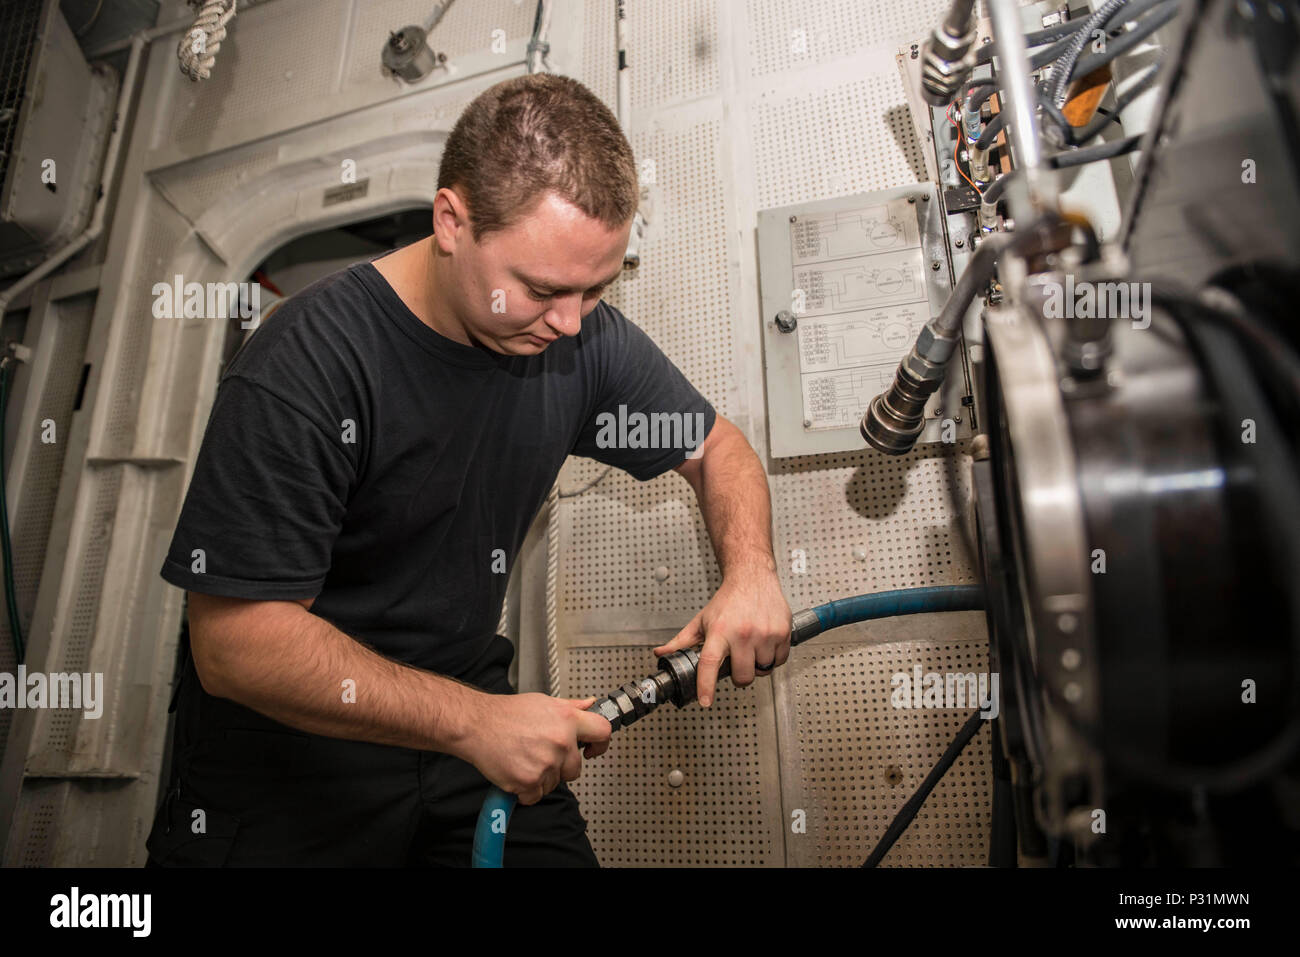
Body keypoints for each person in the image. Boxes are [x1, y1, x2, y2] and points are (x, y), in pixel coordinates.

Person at [144, 72, 792, 867]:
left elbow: (715, 447)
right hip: (294, 754)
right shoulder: (309, 362)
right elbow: (237, 643)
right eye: (542, 289)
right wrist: (475, 722)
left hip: (468, 730)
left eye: (597, 288)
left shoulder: (582, 344)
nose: (569, 321)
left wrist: (752, 570)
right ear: (451, 222)